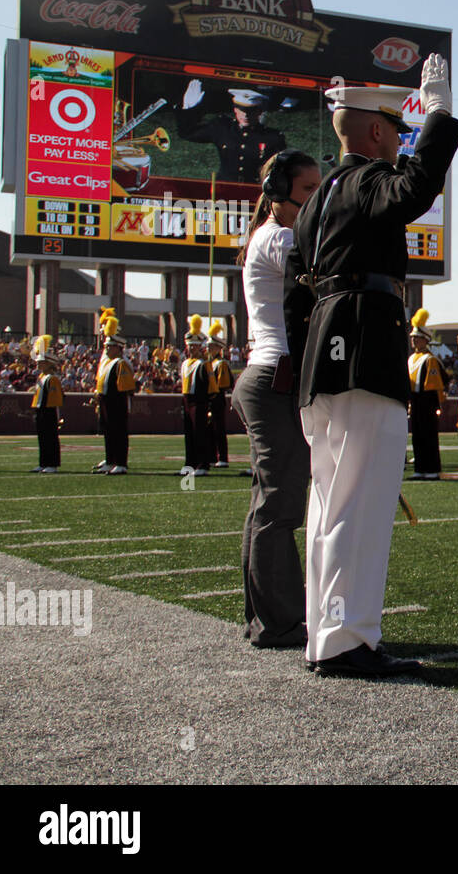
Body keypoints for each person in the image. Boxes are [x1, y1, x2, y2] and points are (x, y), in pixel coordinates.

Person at [283, 55, 458, 677]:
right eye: (398, 128)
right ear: (379, 133)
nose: (399, 138)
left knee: (329, 499)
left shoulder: (316, 201)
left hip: (325, 354)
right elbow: (415, 190)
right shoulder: (364, 181)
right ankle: (347, 641)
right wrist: (437, 114)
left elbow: (294, 291)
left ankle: (325, 634)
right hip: (364, 343)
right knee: (360, 500)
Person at [234, 147, 321, 649]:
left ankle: (266, 616)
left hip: (271, 377)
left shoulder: (273, 236)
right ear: (276, 193)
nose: (316, 198)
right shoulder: (283, 237)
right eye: (308, 189)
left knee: (267, 504)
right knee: (279, 506)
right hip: (275, 379)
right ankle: (278, 622)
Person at [176, 83, 287, 184]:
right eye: (242, 110)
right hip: (224, 188)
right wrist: (189, 108)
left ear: (259, 112)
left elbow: (282, 170)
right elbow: (187, 133)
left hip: (253, 190)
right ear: (235, 110)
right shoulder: (223, 128)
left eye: (250, 111)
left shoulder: (272, 137)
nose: (245, 115)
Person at [406, 308, 447, 481]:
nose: (414, 340)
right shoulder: (411, 359)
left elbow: (438, 382)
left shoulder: (430, 359)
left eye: (417, 337)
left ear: (425, 339)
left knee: (428, 435)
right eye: (413, 337)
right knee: (417, 435)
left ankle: (431, 468)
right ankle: (419, 468)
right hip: (415, 401)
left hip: (427, 401)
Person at [94, 316, 136, 475]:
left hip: (117, 402)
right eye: (106, 346)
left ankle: (120, 462)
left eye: (110, 346)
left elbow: (125, 387)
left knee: (118, 431)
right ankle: (110, 459)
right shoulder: (108, 362)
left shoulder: (120, 363)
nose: (106, 349)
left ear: (118, 348)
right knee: (108, 431)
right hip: (107, 401)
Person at [180, 315, 217, 477]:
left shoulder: (203, 364)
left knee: (200, 433)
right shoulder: (185, 363)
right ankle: (190, 463)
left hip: (199, 401)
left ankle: (202, 464)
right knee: (189, 433)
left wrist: (208, 404)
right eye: (190, 346)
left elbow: (211, 386)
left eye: (194, 346)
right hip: (187, 400)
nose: (191, 349)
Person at [31, 337, 63, 473]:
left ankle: (52, 464)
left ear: (49, 363)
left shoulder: (52, 378)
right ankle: (43, 462)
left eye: (41, 362)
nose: (38, 364)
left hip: (49, 410)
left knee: (50, 437)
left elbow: (55, 399)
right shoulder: (42, 377)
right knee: (42, 437)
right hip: (41, 410)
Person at [207, 322, 234, 468]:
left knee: (219, 428)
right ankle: (212, 456)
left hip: (217, 398)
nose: (208, 349)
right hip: (211, 399)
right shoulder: (210, 363)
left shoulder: (221, 363)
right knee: (210, 429)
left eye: (211, 347)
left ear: (218, 348)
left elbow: (223, 384)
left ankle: (222, 457)